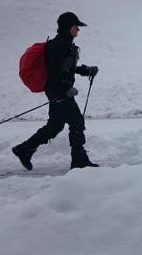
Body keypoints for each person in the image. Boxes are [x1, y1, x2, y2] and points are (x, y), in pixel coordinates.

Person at [13, 11, 100, 170]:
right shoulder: (60, 45)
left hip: (57, 90)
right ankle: (79, 161)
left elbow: (65, 68)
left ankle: (25, 149)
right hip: (58, 91)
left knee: (55, 125)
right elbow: (54, 72)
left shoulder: (64, 43)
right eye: (76, 27)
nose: (78, 30)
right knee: (76, 121)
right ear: (69, 27)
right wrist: (66, 88)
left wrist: (85, 70)